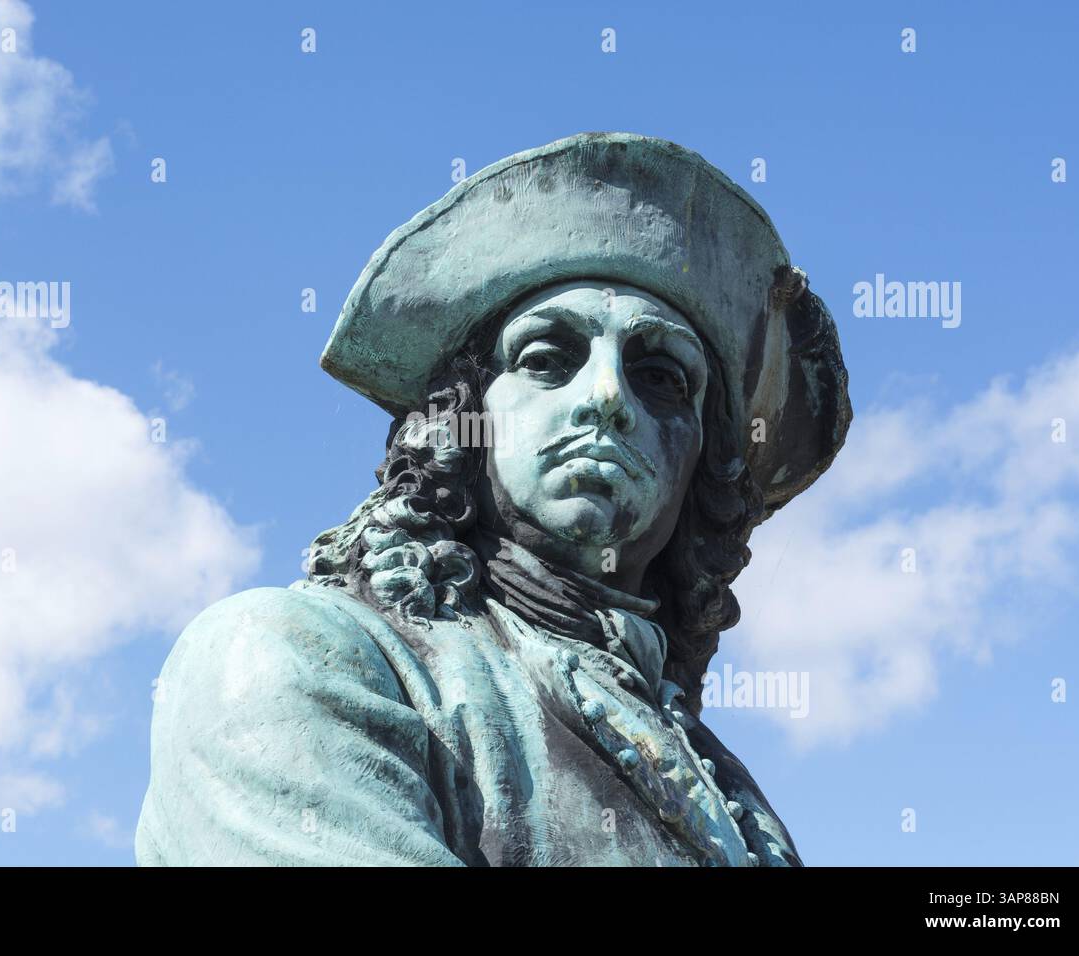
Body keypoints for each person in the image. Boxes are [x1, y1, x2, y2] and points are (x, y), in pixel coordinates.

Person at [136, 133, 851, 866]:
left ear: (705, 465)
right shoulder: (287, 651)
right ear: (464, 422)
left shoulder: (735, 794)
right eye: (546, 359)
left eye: (661, 377)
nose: (607, 398)